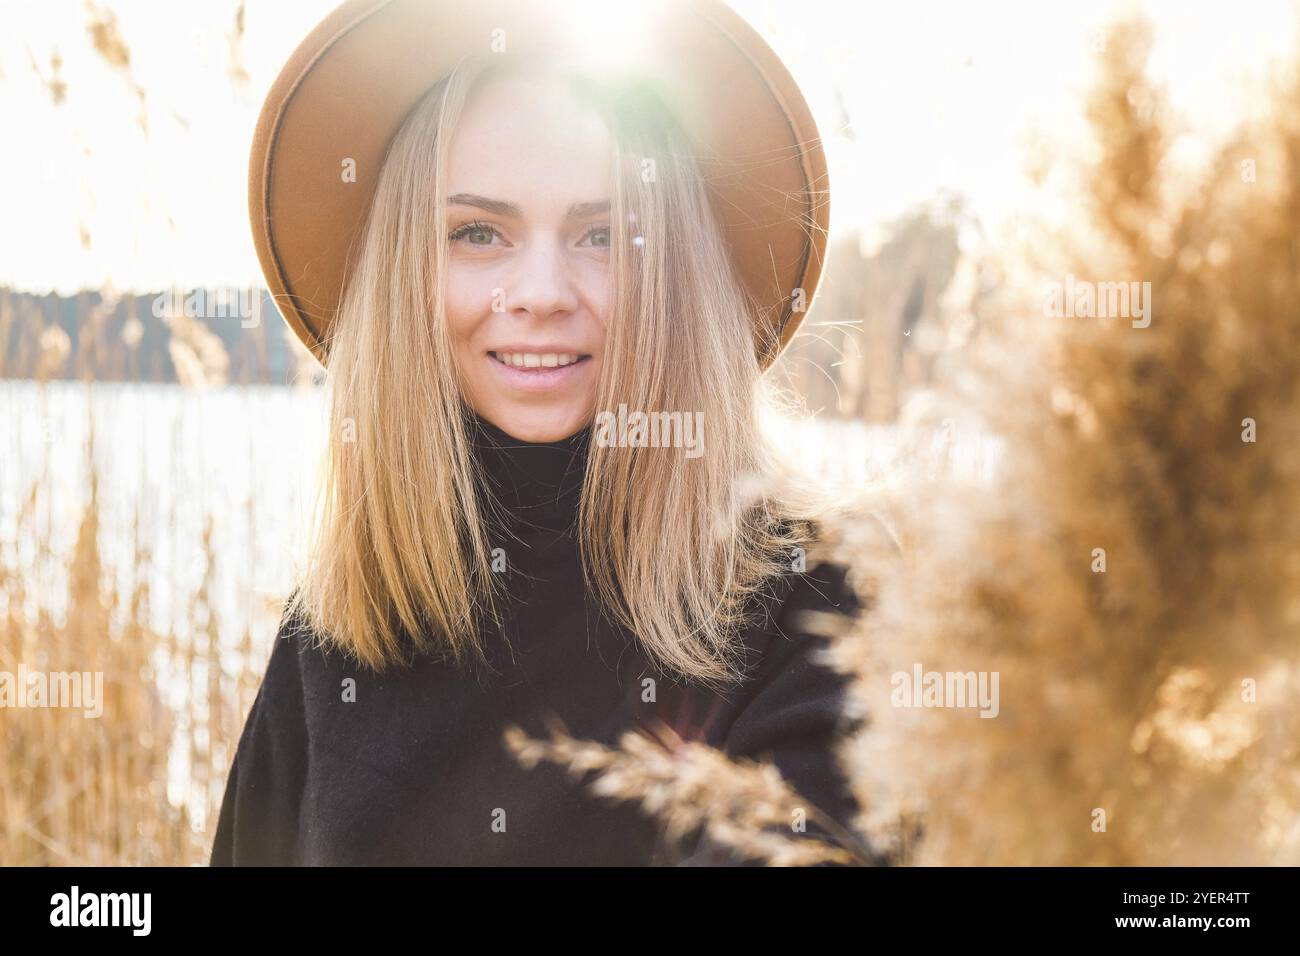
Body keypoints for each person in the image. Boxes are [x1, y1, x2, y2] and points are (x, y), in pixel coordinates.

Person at [211, 0, 877, 866]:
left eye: (602, 234)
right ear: (407, 269)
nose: (541, 291)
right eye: (478, 232)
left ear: (677, 271)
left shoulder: (811, 602)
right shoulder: (335, 627)